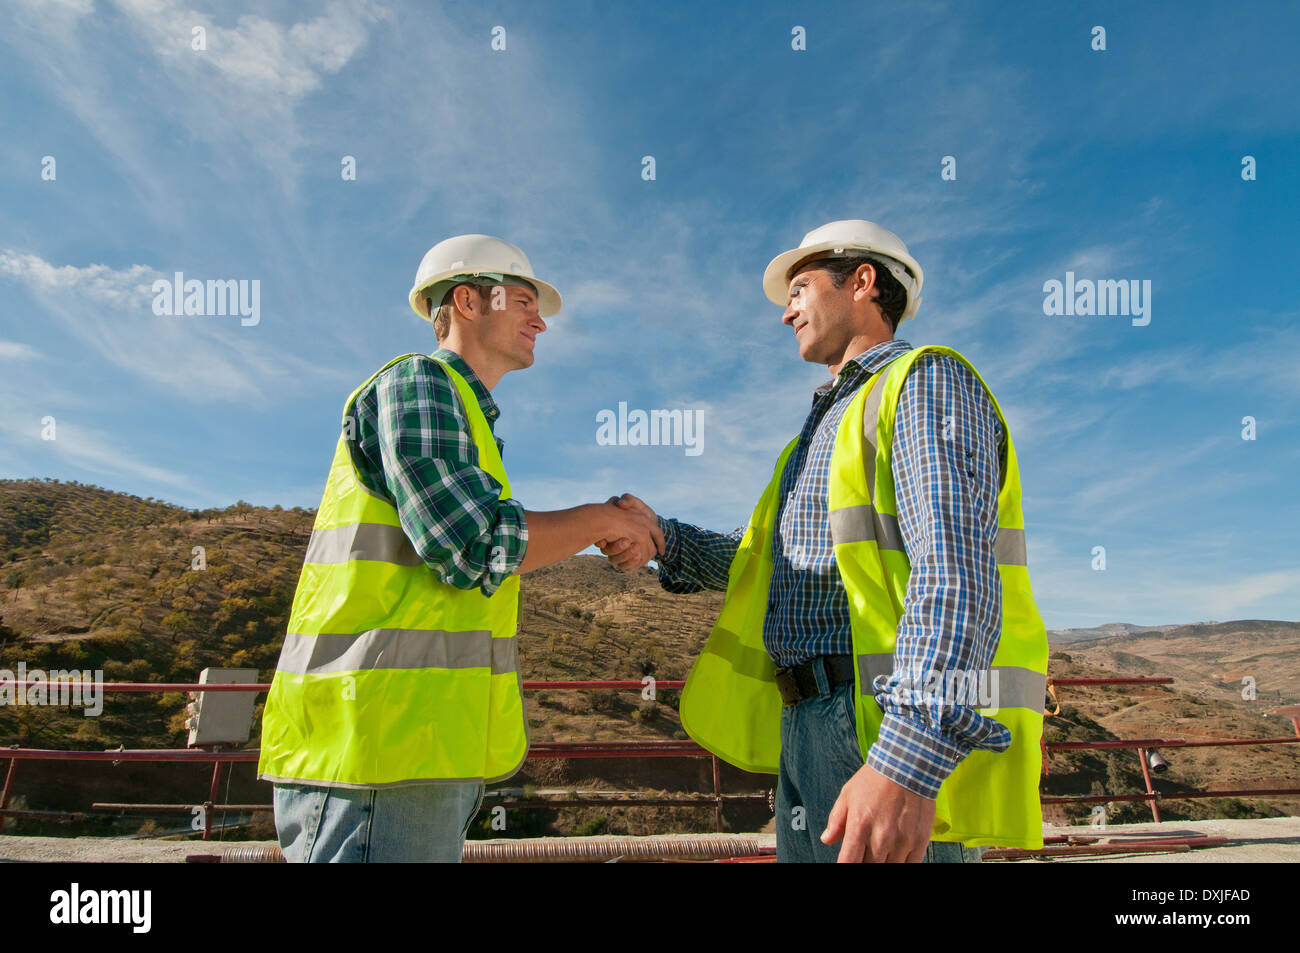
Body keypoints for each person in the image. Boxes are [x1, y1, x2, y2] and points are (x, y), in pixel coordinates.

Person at [602, 220, 1049, 863]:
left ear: (863, 282)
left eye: (800, 288)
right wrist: (663, 539)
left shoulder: (925, 384)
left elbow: (954, 575)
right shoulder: (821, 430)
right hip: (810, 724)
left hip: (877, 725)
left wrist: (908, 759)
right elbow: (777, 565)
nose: (786, 313)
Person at [258, 234, 662, 862]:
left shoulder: (468, 413)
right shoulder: (420, 384)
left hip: (414, 743)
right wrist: (597, 520)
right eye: (524, 301)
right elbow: (473, 543)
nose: (541, 321)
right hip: (374, 745)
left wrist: (608, 524)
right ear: (468, 301)